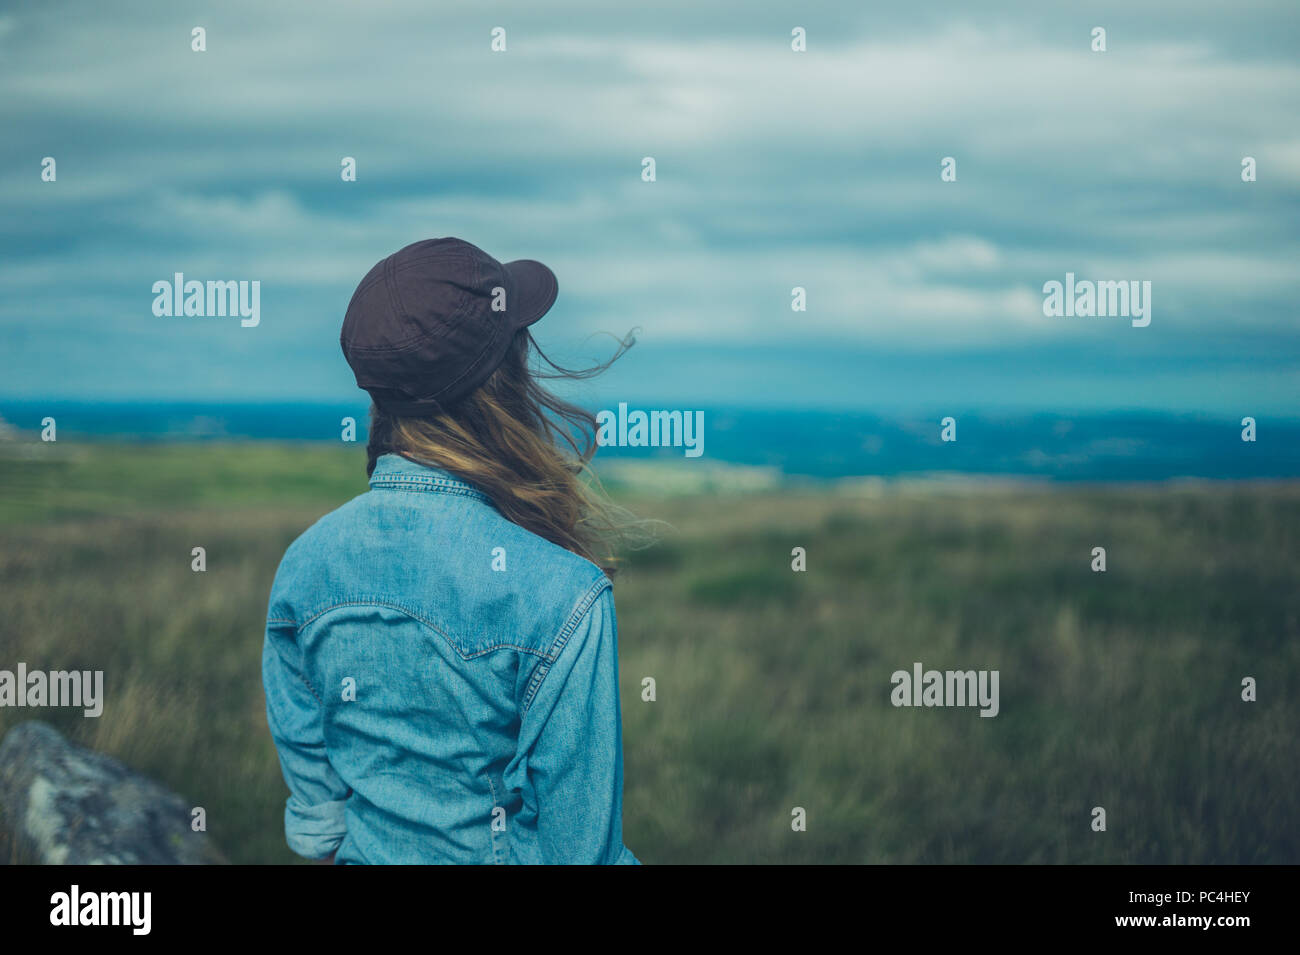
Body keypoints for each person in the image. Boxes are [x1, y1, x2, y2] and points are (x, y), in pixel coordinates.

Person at [261, 237, 640, 864]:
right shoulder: (565, 593)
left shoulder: (305, 565)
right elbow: (582, 852)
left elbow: (319, 824)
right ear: (505, 379)